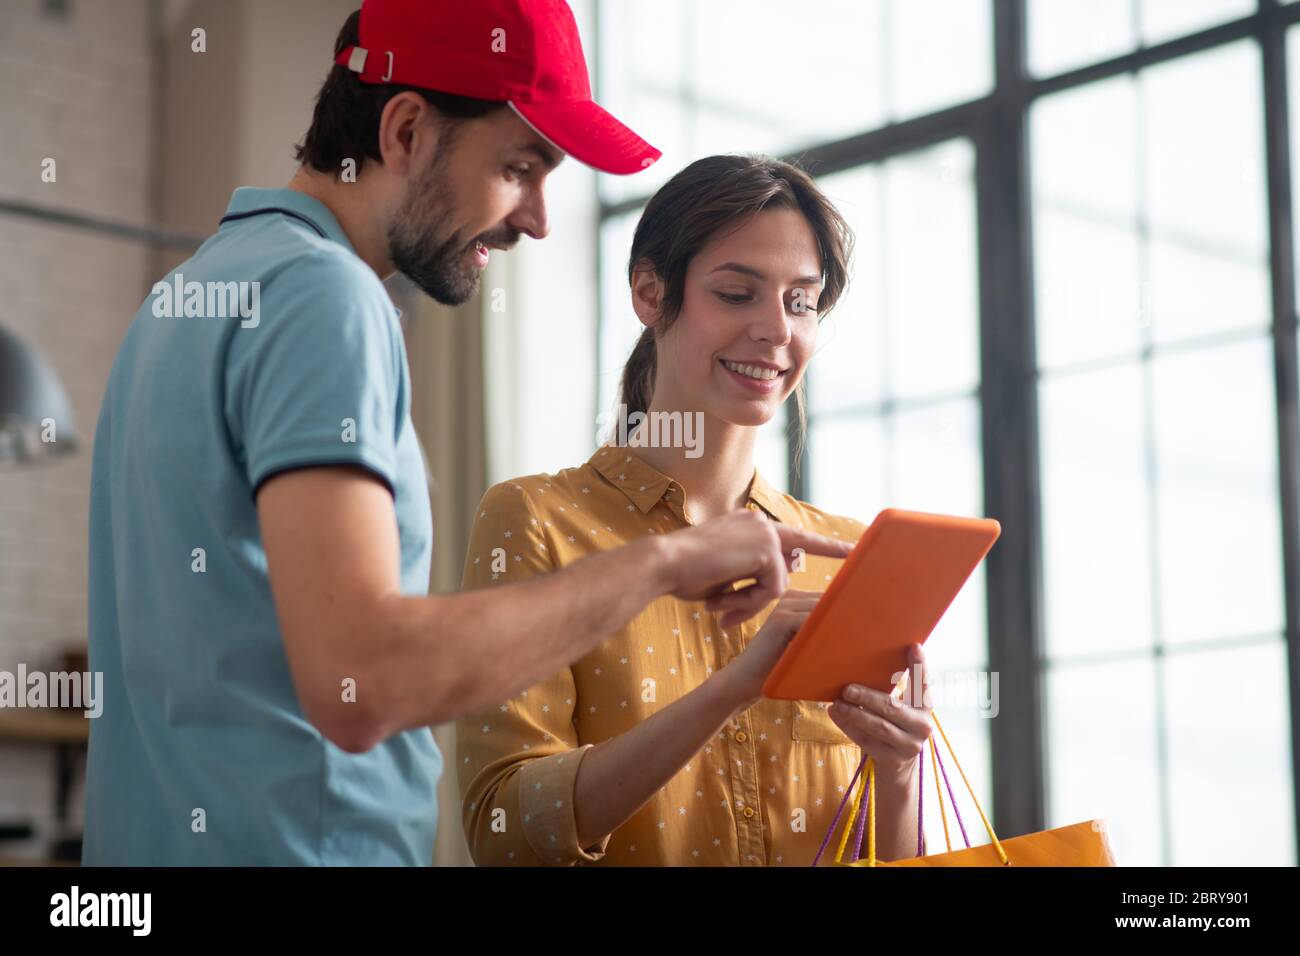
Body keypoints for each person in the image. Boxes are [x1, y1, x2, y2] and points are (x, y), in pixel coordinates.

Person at [83, 1, 851, 866]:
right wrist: (666, 563)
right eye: (520, 167)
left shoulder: (187, 298)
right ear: (407, 129)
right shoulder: (324, 299)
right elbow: (364, 682)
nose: (538, 219)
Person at [457, 154, 935, 866]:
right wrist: (732, 691)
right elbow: (504, 831)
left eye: (801, 301)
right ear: (650, 294)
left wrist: (899, 773)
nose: (777, 329)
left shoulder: (849, 556)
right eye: (738, 294)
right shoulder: (536, 521)